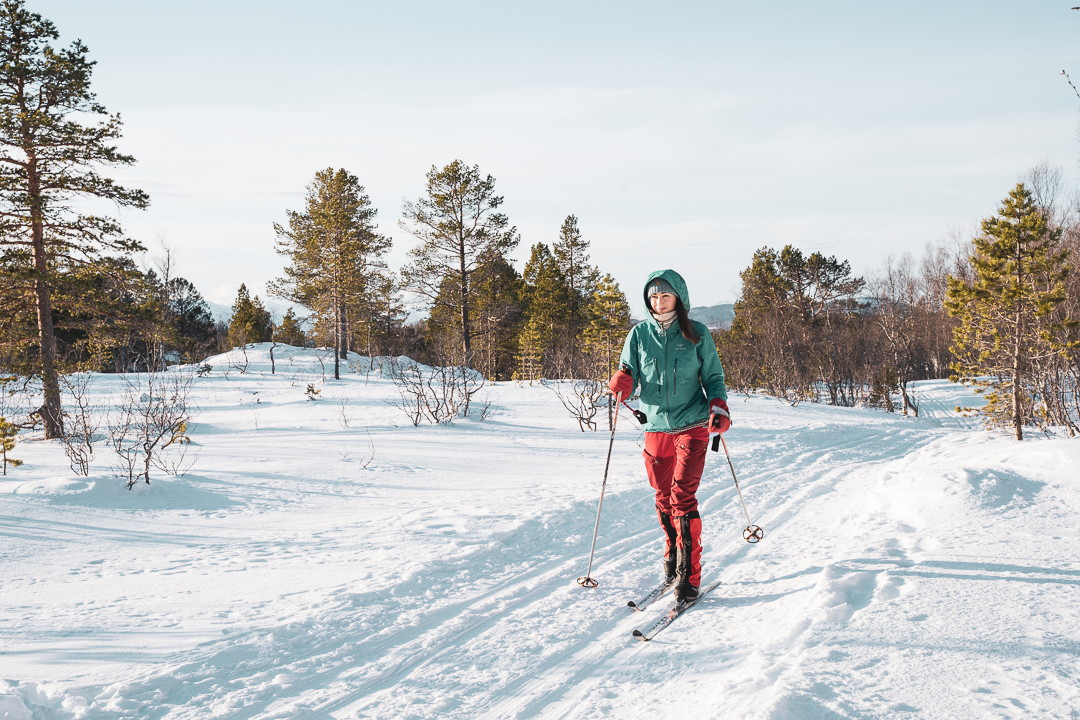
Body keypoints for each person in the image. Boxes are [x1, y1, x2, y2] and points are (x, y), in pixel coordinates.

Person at [608, 269, 730, 604]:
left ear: (679, 297)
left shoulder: (697, 333)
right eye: (653, 297)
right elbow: (627, 373)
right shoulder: (638, 335)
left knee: (681, 497)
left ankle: (689, 577)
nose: (659, 303)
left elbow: (714, 378)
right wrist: (620, 381)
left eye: (665, 296)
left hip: (692, 423)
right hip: (656, 426)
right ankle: (673, 556)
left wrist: (718, 405)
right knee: (663, 497)